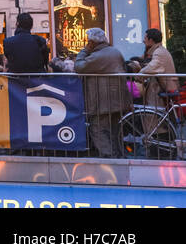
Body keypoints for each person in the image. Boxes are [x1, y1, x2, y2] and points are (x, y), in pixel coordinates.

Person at [73, 27, 131, 157]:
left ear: (92, 42)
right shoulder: (115, 51)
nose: (87, 44)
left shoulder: (98, 56)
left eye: (88, 42)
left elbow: (79, 67)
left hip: (103, 100)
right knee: (113, 130)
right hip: (118, 98)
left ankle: (109, 156)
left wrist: (84, 51)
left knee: (97, 128)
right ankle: (117, 155)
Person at [129, 28, 179, 107]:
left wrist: (138, 77)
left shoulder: (159, 52)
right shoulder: (159, 50)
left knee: (153, 112)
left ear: (151, 40)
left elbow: (151, 68)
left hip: (163, 88)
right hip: (163, 86)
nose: (143, 40)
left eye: (145, 38)